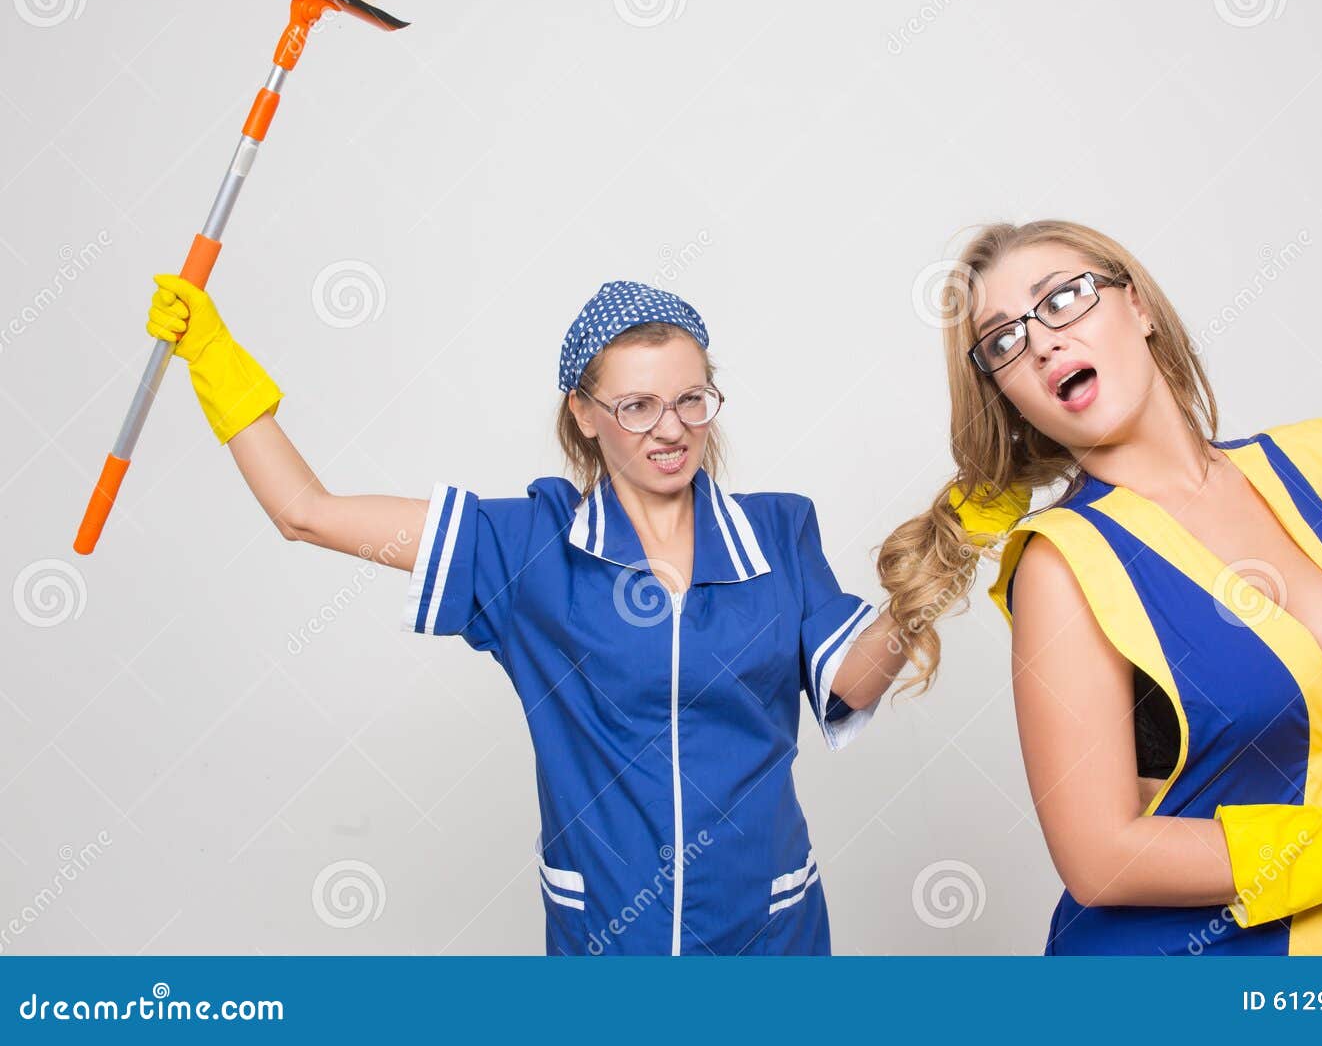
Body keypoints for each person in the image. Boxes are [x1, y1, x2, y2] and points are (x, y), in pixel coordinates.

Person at [145, 275, 911, 955]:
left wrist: (932, 575)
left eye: (690, 399)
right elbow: (306, 511)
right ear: (584, 411)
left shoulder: (778, 532)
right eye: (637, 405)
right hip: (609, 940)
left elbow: (852, 681)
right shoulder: (526, 547)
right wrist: (215, 358)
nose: (671, 427)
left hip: (770, 935)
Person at [875, 219, 1322, 955]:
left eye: (1061, 300)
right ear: (1009, 395)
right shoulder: (1064, 563)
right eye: (1004, 342)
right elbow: (1099, 858)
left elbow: (1297, 722)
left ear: (1139, 306)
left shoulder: (1302, 470)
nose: (1043, 343)